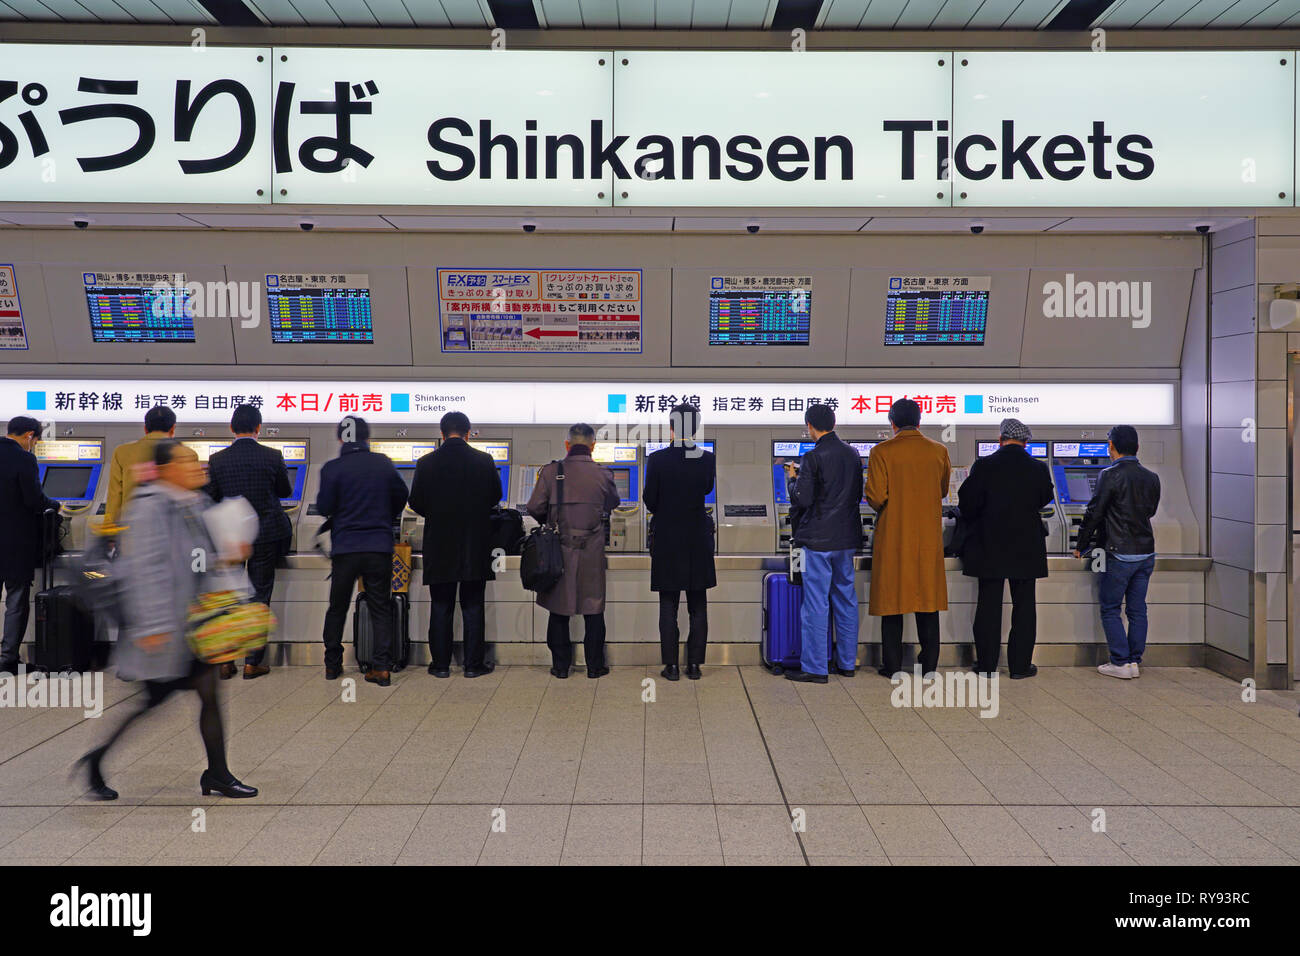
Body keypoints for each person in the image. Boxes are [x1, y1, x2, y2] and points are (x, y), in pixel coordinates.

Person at [78, 440, 256, 800]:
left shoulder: (196, 504)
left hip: (190, 625)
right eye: (187, 461)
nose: (197, 466)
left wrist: (226, 557)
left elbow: (195, 561)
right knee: (152, 702)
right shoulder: (148, 510)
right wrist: (150, 627)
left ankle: (217, 773)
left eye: (197, 460)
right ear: (166, 469)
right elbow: (145, 571)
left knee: (207, 694)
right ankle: (96, 760)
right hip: (161, 629)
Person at [957, 418, 1055, 679]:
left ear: (1000, 439)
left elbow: (967, 503)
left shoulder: (985, 466)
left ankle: (987, 665)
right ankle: (1020, 667)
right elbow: (1046, 498)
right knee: (1024, 606)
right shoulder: (1038, 468)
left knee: (988, 604)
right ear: (1026, 443)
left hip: (989, 544)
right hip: (1026, 545)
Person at [407, 411, 502, 679]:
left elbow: (415, 502)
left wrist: (437, 514)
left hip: (440, 544)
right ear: (468, 432)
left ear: (442, 433)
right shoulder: (484, 461)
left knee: (441, 604)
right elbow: (495, 495)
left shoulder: (426, 463)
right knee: (473, 605)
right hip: (475, 543)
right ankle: (473, 665)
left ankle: (440, 666)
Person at [317, 416, 408, 686]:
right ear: (368, 438)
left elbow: (324, 507)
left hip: (345, 548)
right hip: (378, 546)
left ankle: (333, 665)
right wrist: (384, 516)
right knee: (381, 606)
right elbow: (401, 496)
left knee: (337, 607)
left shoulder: (332, 469)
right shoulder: (383, 464)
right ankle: (381, 667)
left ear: (341, 438)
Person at [865, 398, 951, 677]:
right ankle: (929, 667)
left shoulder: (881, 451)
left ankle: (892, 666)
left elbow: (876, 497)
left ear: (892, 423)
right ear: (920, 420)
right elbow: (941, 490)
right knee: (927, 601)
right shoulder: (939, 451)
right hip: (927, 537)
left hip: (894, 536)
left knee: (892, 602)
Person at [205, 403, 292, 681]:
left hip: (229, 536)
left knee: (228, 596)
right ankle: (253, 662)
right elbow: (285, 491)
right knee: (258, 597)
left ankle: (226, 661)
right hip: (265, 535)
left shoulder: (217, 460)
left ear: (232, 428)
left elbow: (210, 497)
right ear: (259, 428)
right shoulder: (272, 456)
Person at [526, 423, 619, 679]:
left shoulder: (551, 472)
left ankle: (560, 667)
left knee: (559, 609)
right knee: (593, 608)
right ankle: (594, 666)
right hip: (592, 549)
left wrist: (553, 520)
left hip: (559, 549)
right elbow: (613, 503)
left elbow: (534, 507)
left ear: (567, 445)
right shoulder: (603, 473)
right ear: (592, 446)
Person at [781, 403, 863, 684]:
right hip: (846, 539)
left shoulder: (813, 457)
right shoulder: (853, 454)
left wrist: (792, 480)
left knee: (816, 603)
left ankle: (816, 668)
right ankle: (847, 663)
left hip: (817, 540)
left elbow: (802, 498)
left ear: (810, 426)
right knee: (846, 599)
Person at [1074, 425, 1161, 680]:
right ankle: (1134, 661)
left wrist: (1080, 545)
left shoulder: (1109, 475)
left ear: (1111, 446)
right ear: (1137, 447)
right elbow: (1150, 511)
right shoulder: (1152, 477)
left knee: (1111, 608)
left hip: (1117, 552)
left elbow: (1094, 513)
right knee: (1137, 609)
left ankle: (1120, 661)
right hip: (1146, 553)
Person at [643, 404, 716, 681]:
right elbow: (707, 489)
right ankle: (695, 665)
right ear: (695, 428)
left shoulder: (658, 459)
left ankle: (671, 666)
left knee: (668, 604)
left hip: (667, 538)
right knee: (698, 604)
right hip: (697, 538)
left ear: (671, 427)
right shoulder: (707, 459)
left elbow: (650, 499)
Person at [0, 416, 57, 675]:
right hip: (15, 543)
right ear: (29, 435)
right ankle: (8, 659)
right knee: (16, 601)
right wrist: (55, 505)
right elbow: (34, 499)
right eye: (34, 441)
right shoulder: (24, 459)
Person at [104, 405, 176, 528]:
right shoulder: (184, 453)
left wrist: (109, 528)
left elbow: (115, 496)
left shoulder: (121, 452)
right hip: (170, 527)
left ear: (145, 429)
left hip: (131, 528)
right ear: (172, 429)